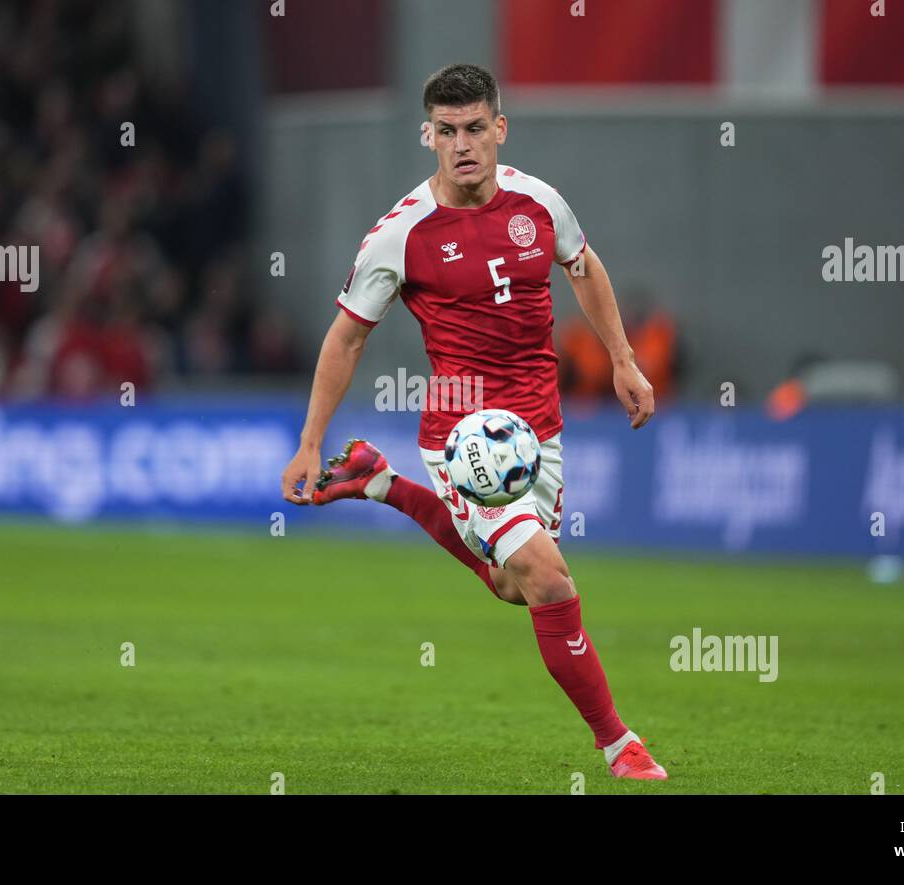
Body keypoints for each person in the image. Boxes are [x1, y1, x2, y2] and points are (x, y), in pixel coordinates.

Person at [280, 64, 665, 779]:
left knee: (512, 584)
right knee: (548, 578)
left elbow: (583, 267)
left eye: (476, 129)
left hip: (539, 432)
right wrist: (309, 444)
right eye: (447, 131)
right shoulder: (399, 236)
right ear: (429, 135)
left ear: (500, 129)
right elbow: (346, 337)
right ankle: (619, 743)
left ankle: (381, 483)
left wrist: (622, 359)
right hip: (462, 436)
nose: (463, 145)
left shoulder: (539, 202)